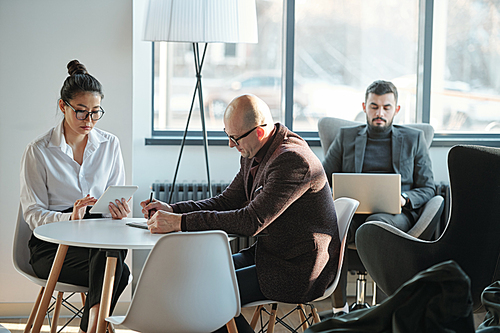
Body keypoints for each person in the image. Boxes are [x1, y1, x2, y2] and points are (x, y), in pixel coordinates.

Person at [141, 94, 340, 332]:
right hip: (272, 255)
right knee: (194, 277)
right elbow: (227, 201)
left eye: (234, 138)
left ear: (258, 132)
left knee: (204, 293)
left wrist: (180, 223)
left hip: (297, 269)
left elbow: (251, 221)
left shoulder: (292, 159)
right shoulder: (256, 151)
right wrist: (174, 209)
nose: (230, 145)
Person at [20, 60, 131, 333]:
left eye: (95, 112)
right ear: (63, 106)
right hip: (52, 246)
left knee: (110, 256)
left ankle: (89, 329)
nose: (89, 121)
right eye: (81, 112)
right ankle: (92, 328)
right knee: (117, 271)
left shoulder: (110, 144)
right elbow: (32, 212)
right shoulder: (39, 150)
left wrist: (118, 210)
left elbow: (116, 194)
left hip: (98, 238)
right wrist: (70, 216)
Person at [322, 80, 435, 315]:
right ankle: (339, 310)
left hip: (395, 213)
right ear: (364, 106)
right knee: (333, 228)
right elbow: (322, 179)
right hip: (353, 211)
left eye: (386, 107)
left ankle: (385, 312)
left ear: (397, 109)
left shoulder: (414, 139)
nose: (379, 113)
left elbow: (428, 188)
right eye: (374, 106)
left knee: (376, 226)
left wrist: (403, 198)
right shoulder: (346, 137)